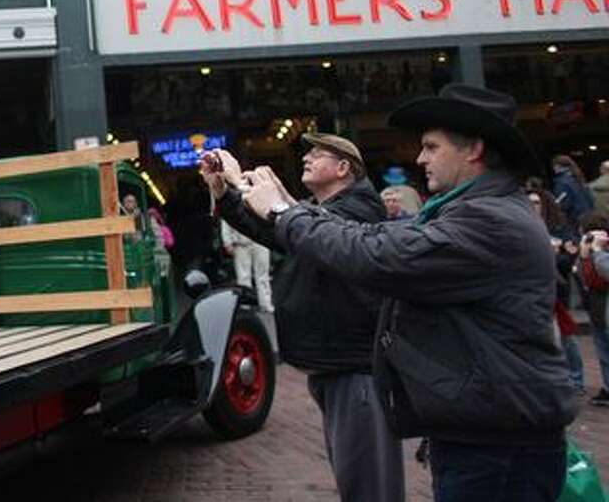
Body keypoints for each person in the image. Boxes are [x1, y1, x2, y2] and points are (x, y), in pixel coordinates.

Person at [239, 84, 578, 502]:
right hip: (486, 435)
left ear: (473, 149)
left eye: (431, 147)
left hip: (498, 447)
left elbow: (371, 253)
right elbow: (369, 238)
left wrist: (283, 210)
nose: (421, 159)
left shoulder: (487, 220)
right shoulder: (474, 210)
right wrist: (281, 208)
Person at [203, 133, 393, 502]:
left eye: (317, 154)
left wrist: (254, 190)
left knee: (369, 483)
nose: (306, 158)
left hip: (355, 371)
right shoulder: (323, 211)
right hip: (335, 367)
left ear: (343, 169)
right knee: (355, 475)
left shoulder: (358, 209)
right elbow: (272, 229)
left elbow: (304, 226)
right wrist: (225, 193)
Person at [577, 213, 609, 407]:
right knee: (603, 350)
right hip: (596, 306)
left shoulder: (602, 250)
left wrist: (598, 251)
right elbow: (582, 278)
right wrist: (583, 255)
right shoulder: (589, 249)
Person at [219, 219, 274, 312]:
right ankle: (245, 304)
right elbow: (226, 220)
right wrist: (227, 242)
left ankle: (265, 304)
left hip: (261, 241)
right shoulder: (233, 204)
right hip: (241, 244)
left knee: (263, 274)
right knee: (243, 276)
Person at [552, 154, 596, 226]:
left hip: (575, 220)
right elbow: (591, 199)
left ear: (557, 166)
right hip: (589, 217)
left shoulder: (562, 182)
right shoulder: (579, 179)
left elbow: (562, 204)